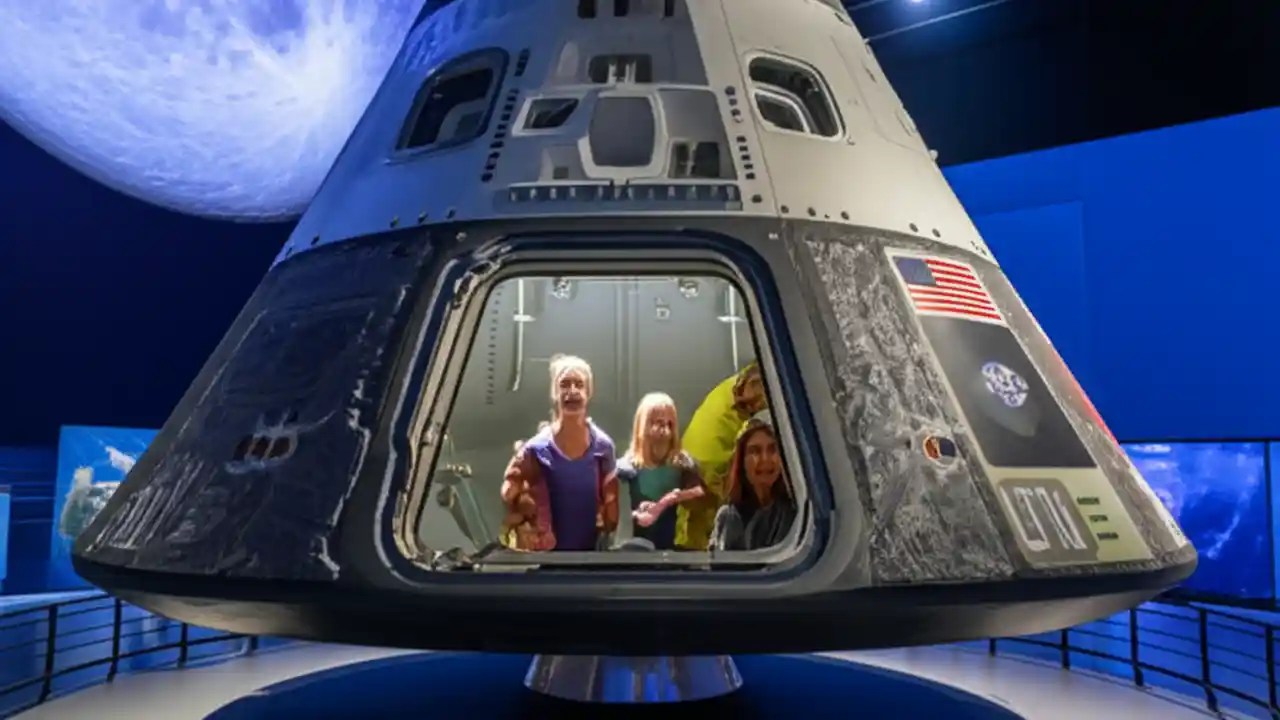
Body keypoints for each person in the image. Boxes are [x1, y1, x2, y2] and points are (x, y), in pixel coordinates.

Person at [500, 355, 618, 551]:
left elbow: (611, 506)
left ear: (589, 392)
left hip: (593, 558)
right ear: (555, 393)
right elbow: (511, 486)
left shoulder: (604, 448)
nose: (572, 391)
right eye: (564, 384)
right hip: (547, 558)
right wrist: (521, 503)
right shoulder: (535, 449)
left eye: (579, 385)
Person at [675, 362, 769, 550]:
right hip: (704, 513)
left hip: (698, 515)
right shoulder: (747, 400)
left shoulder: (739, 386)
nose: (748, 403)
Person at [616, 393, 706, 550]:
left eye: (669, 424)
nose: (664, 430)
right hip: (636, 549)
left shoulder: (683, 464)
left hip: (673, 549)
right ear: (643, 425)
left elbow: (700, 495)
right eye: (658, 423)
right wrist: (637, 513)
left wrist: (670, 500)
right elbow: (618, 516)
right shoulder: (627, 467)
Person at [710, 419, 797, 552]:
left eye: (773, 449)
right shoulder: (729, 517)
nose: (765, 459)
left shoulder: (795, 513)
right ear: (742, 462)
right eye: (755, 451)